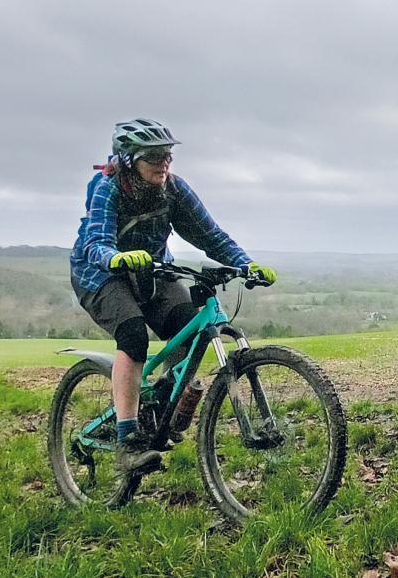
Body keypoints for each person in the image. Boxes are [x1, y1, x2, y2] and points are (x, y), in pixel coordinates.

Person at [70, 118, 275, 474]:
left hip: (152, 271)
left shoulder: (174, 190)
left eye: (167, 155)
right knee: (132, 333)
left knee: (190, 326)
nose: (164, 163)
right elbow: (95, 242)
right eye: (154, 157)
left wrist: (246, 264)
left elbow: (211, 236)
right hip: (100, 274)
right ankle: (127, 441)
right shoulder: (109, 187)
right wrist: (115, 257)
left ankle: (162, 404)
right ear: (131, 160)